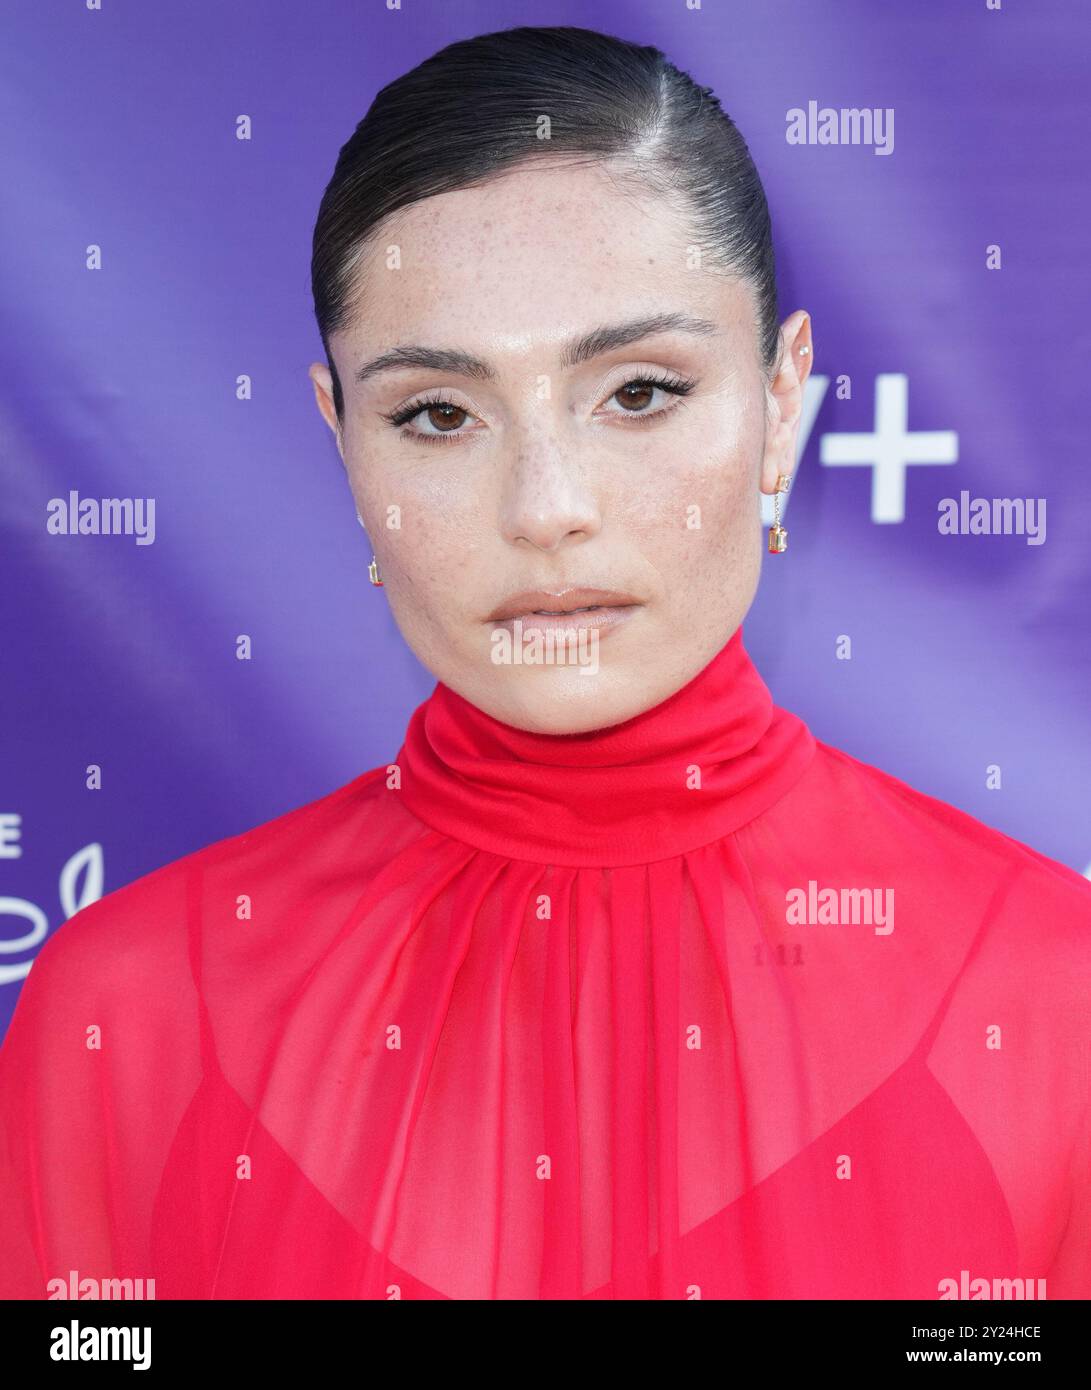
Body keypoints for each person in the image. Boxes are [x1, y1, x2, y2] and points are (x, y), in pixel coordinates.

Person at [1, 25, 1088, 1301]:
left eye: (638, 392)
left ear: (781, 401)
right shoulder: (127, 1014)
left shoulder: (1048, 994)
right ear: (340, 440)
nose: (545, 508)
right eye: (437, 414)